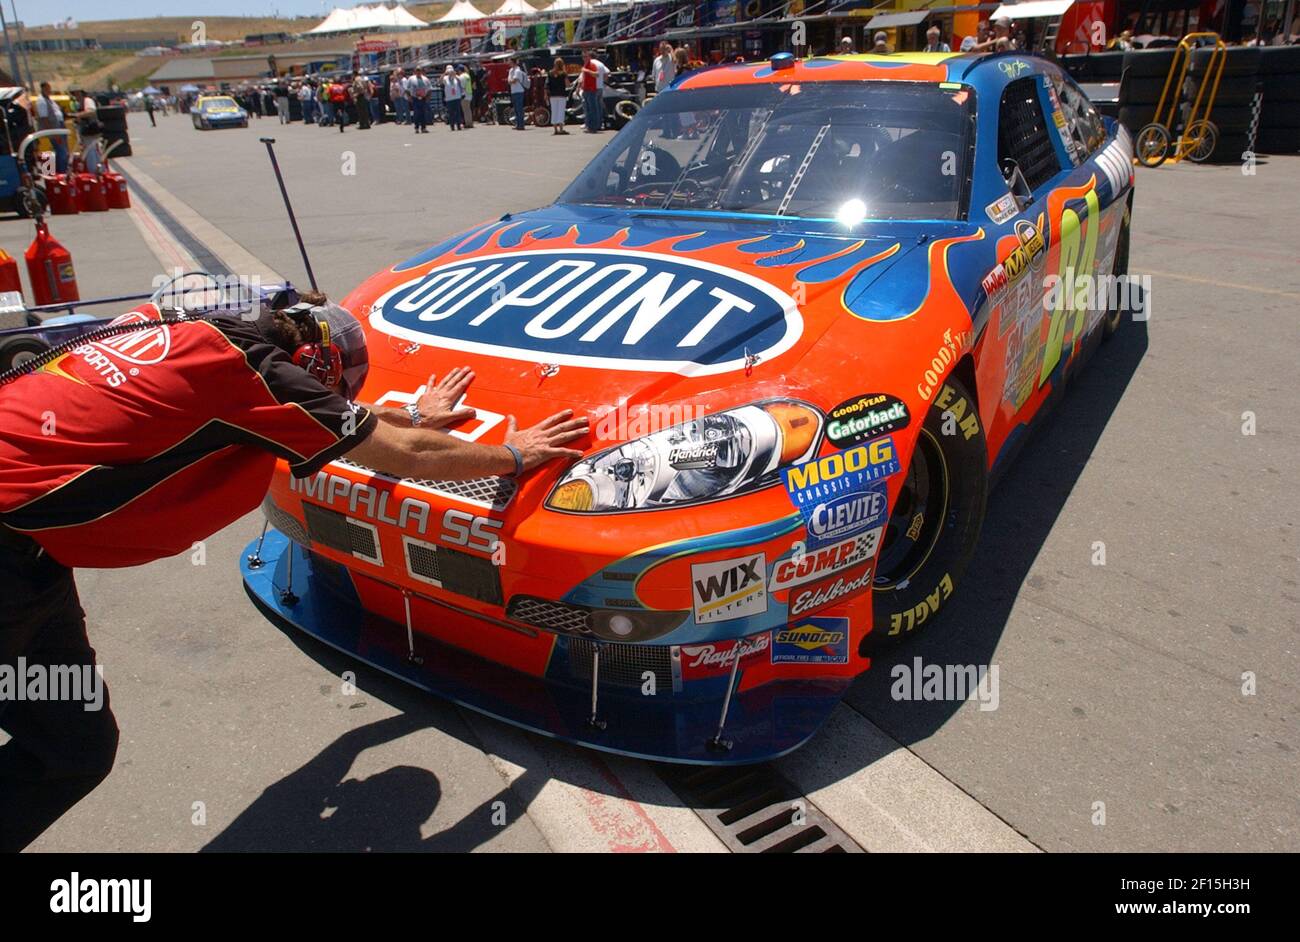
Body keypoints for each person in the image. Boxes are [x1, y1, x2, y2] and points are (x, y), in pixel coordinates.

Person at [0, 292, 588, 852]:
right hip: (11, 558)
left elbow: (292, 412)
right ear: (309, 361)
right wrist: (517, 455)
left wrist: (405, 414)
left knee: (73, 749)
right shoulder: (247, 374)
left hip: (29, 559)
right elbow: (406, 456)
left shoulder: (174, 326)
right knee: (68, 750)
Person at [32, 82, 69, 175]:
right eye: (48, 88)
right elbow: (44, 118)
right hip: (54, 128)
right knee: (61, 151)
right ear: (43, 88)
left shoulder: (49, 100)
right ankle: (61, 172)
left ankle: (62, 170)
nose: (50, 90)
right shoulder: (41, 101)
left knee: (63, 150)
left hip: (59, 127)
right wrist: (53, 133)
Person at [70, 89, 102, 173]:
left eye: (76, 94)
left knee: (90, 151)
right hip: (85, 133)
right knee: (91, 151)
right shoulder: (78, 103)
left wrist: (78, 115)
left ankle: (94, 172)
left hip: (90, 131)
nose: (75, 96)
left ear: (81, 93)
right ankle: (98, 171)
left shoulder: (87, 100)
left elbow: (91, 111)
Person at [547, 57, 569, 136]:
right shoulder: (563, 73)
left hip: (553, 95)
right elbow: (567, 84)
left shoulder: (550, 73)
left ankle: (555, 129)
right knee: (561, 111)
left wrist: (546, 94)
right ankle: (561, 129)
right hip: (561, 94)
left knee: (554, 111)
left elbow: (547, 84)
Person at [407, 67, 431, 133]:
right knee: (416, 113)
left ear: (421, 71)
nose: (418, 72)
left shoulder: (425, 79)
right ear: (415, 71)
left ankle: (423, 128)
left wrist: (428, 98)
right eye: (417, 71)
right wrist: (409, 97)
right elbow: (407, 88)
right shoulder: (411, 79)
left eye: (419, 71)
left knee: (423, 113)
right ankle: (416, 127)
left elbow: (429, 89)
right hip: (415, 98)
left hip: (423, 98)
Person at [508, 56, 529, 131]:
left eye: (509, 61)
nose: (508, 63)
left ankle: (521, 125)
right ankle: (517, 124)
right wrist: (511, 80)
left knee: (519, 108)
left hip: (519, 91)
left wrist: (511, 80)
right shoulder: (511, 70)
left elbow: (515, 80)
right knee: (516, 109)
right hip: (513, 91)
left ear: (513, 62)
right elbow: (509, 80)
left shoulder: (518, 70)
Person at [442, 66, 464, 131]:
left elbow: (461, 84)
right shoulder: (445, 78)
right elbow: (440, 81)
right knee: (451, 113)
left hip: (457, 97)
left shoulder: (456, 77)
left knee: (458, 112)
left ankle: (458, 125)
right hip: (449, 98)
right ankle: (452, 126)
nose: (450, 72)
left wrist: (455, 75)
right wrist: (444, 73)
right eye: (449, 71)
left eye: (451, 71)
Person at [456, 64, 474, 129]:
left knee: (465, 110)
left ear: (460, 70)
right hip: (469, 94)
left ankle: (467, 124)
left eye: (458, 70)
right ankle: (470, 122)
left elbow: (462, 86)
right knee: (468, 110)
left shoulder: (462, 76)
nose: (457, 72)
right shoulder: (467, 75)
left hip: (464, 95)